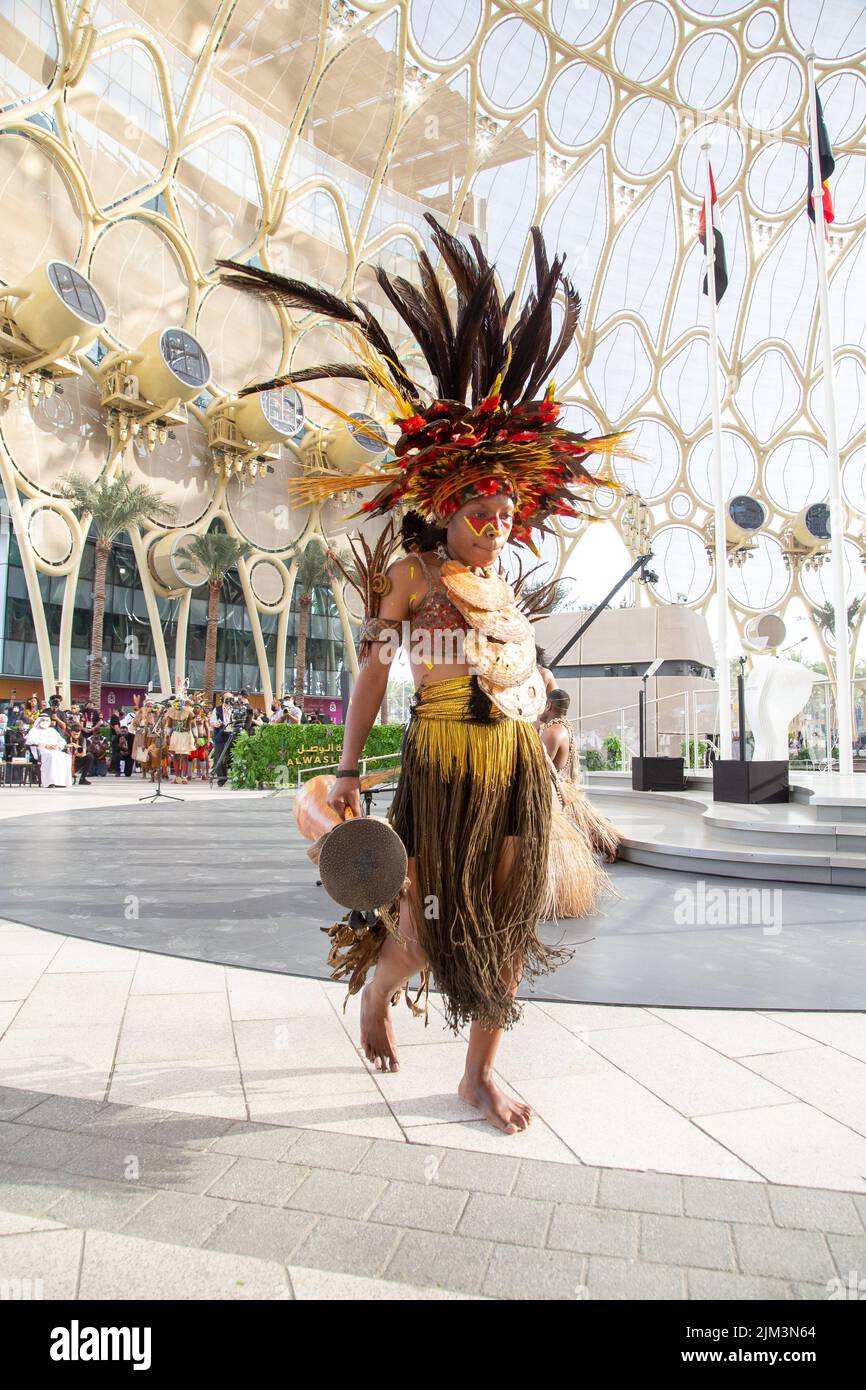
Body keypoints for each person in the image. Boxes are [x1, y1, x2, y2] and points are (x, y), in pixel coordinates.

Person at [223, 214, 638, 1134]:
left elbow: (525, 685)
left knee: (510, 916)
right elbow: (375, 678)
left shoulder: (502, 587)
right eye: (480, 509)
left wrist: (552, 736)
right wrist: (342, 769)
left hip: (516, 778)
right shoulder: (410, 579)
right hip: (441, 770)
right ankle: (378, 996)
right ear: (445, 503)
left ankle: (477, 1074)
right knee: (424, 924)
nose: (494, 524)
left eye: (505, 511)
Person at [539, 689, 621, 864]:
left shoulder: (552, 731)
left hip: (554, 795)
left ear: (548, 705)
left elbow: (539, 769)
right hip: (562, 789)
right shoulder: (564, 727)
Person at [25, 713, 73, 787]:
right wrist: (45, 745)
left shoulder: (52, 730)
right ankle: (50, 782)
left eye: (46, 720)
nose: (44, 722)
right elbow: (30, 741)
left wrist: (57, 746)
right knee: (51, 757)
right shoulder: (34, 730)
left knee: (66, 757)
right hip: (41, 750)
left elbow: (62, 741)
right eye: (42, 720)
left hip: (55, 750)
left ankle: (61, 782)